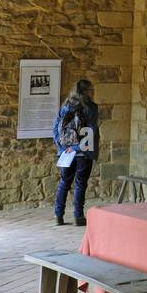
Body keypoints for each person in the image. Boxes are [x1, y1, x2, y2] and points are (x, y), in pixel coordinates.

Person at [52, 78, 100, 226]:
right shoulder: (90, 107)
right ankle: (78, 216)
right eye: (91, 90)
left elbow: (55, 128)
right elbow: (91, 131)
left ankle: (58, 216)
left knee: (64, 182)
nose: (93, 92)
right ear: (86, 91)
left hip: (66, 151)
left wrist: (61, 146)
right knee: (80, 183)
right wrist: (80, 148)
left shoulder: (66, 105)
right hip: (82, 152)